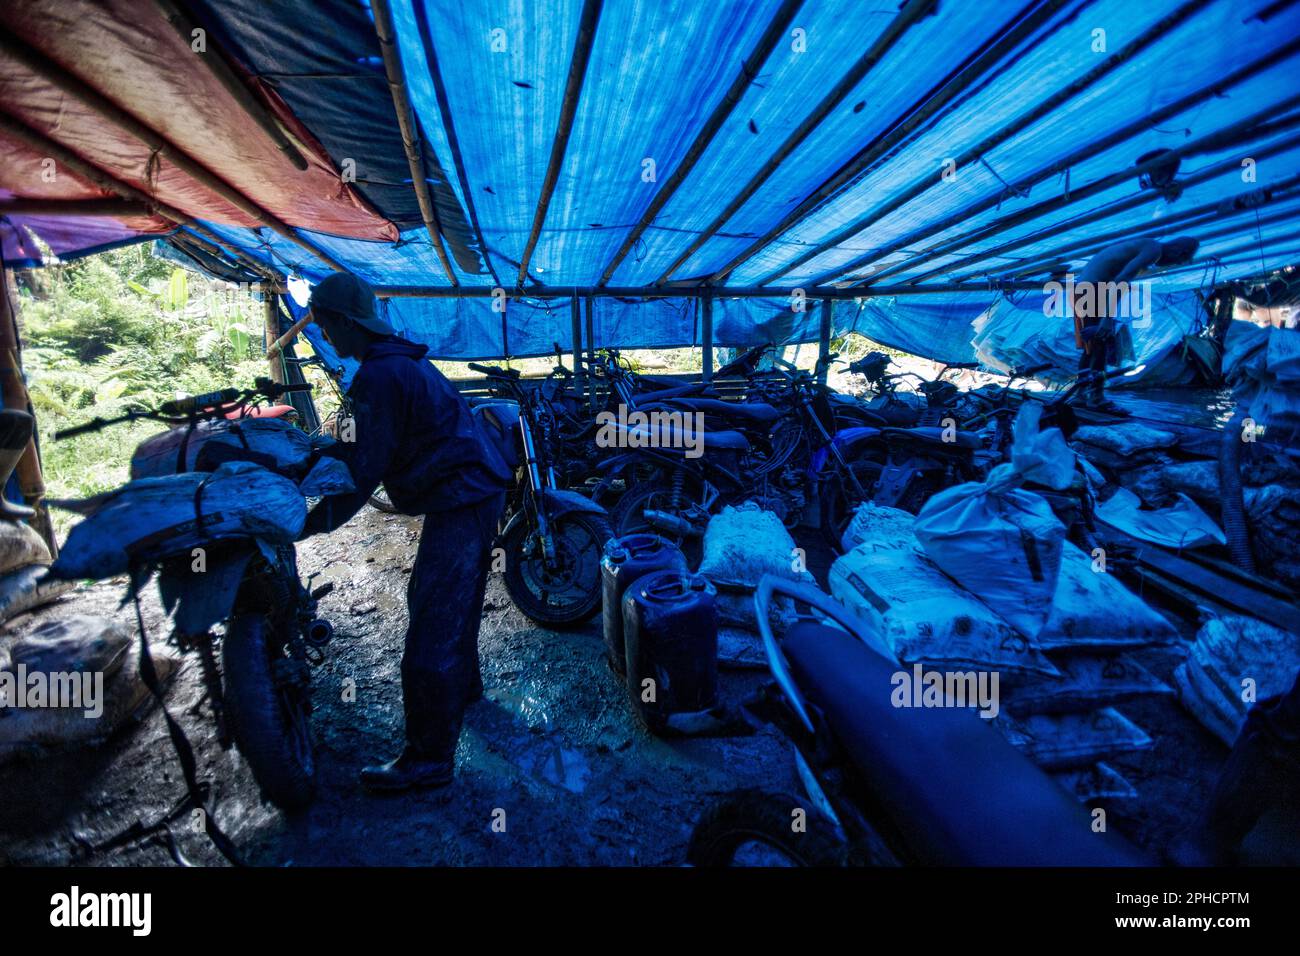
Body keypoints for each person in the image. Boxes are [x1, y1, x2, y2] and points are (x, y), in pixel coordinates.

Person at [302, 272, 510, 792]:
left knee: (433, 625)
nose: (326, 338)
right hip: (474, 489)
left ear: (347, 323)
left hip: (463, 495)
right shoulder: (400, 361)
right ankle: (464, 689)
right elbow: (368, 444)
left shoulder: (380, 375)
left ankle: (428, 758)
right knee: (442, 600)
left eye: (327, 327)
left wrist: (306, 523)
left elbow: (363, 468)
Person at [1071, 236, 1199, 411]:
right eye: (1179, 261)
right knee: (1100, 341)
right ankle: (1096, 398)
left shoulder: (1144, 246)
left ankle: (1081, 395)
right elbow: (1120, 280)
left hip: (1086, 288)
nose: (1174, 264)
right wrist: (1107, 319)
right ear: (1179, 251)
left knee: (1092, 346)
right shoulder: (1153, 250)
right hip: (1092, 289)